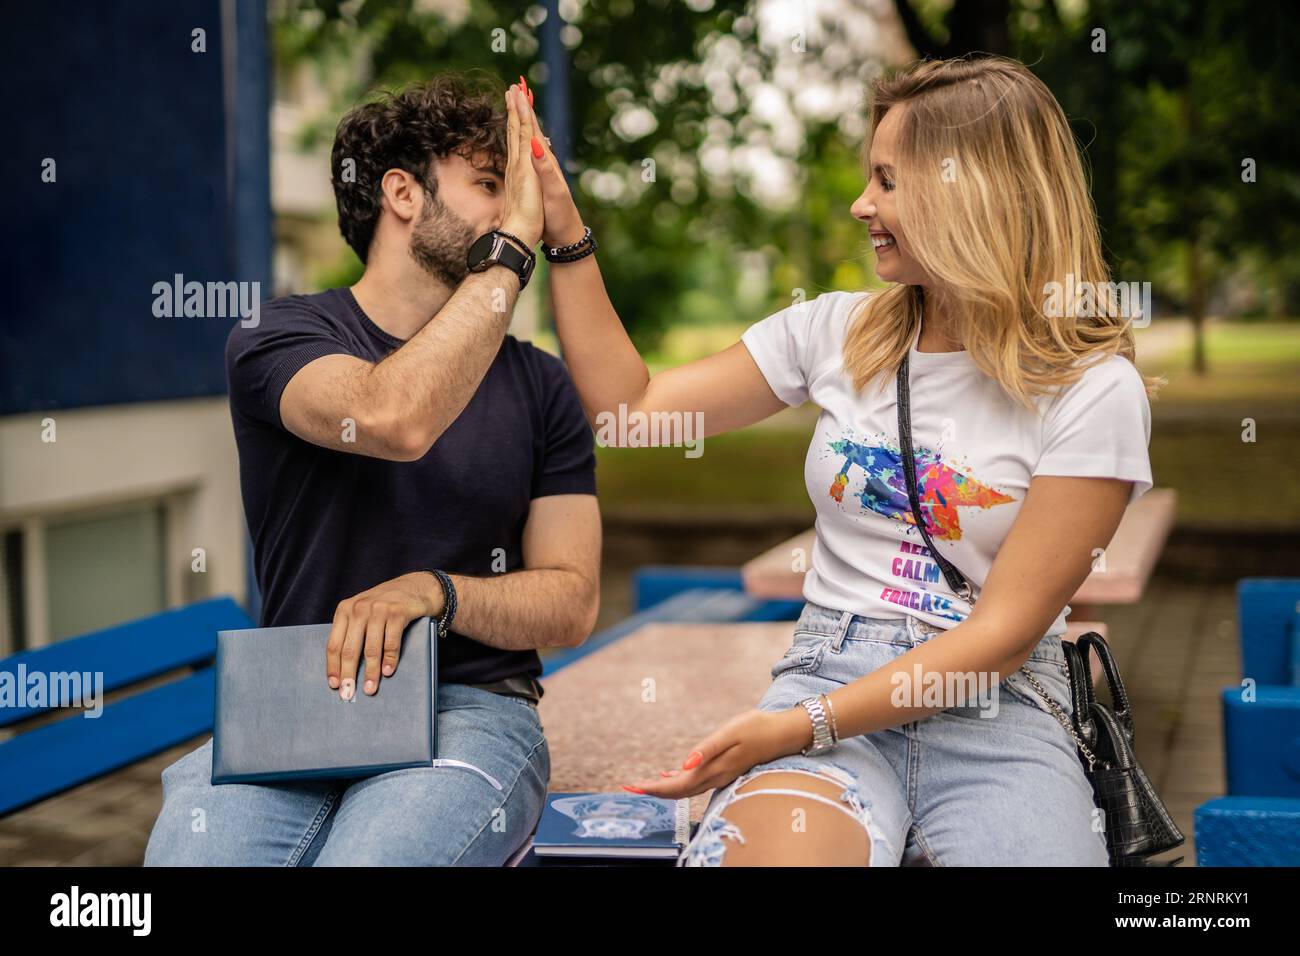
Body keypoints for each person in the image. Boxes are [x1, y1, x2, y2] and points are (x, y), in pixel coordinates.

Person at [526, 55, 1155, 866]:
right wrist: (567, 237)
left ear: (973, 189)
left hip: (998, 711)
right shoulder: (834, 331)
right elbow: (629, 414)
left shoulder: (1093, 388)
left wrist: (792, 728)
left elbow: (1000, 636)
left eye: (889, 181)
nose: (863, 204)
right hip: (832, 666)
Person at [145, 75, 600, 866]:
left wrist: (441, 593)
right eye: (491, 186)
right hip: (296, 706)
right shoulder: (278, 335)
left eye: (513, 194)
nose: (511, 211)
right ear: (401, 193)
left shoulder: (541, 385)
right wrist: (514, 248)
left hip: (472, 708)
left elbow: (571, 603)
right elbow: (393, 417)